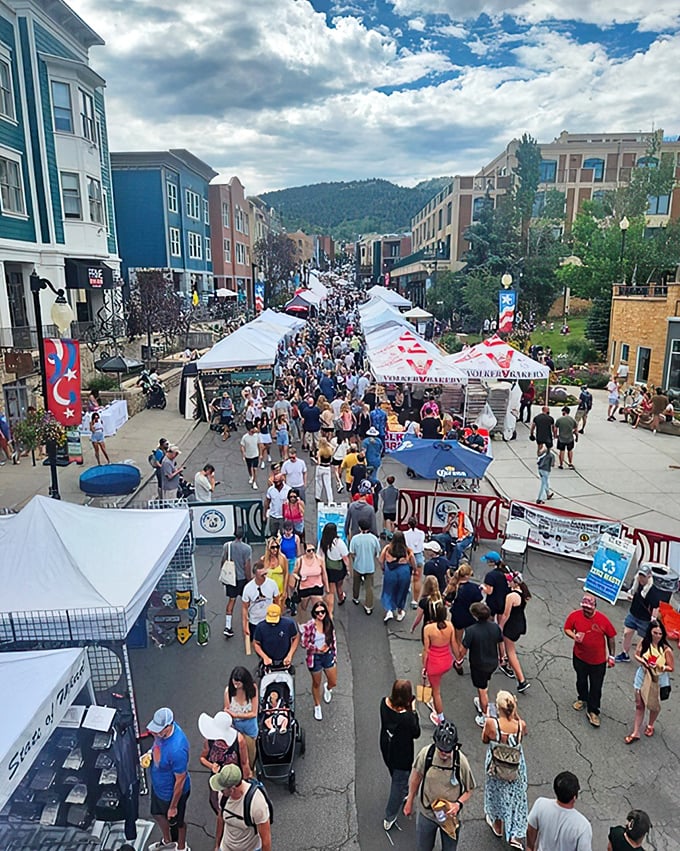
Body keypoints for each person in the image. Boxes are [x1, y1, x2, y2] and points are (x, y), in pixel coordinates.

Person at [404, 721, 476, 851]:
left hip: (449, 817)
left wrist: (458, 804)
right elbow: (415, 779)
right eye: (441, 750)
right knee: (423, 848)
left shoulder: (461, 762)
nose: (444, 754)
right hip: (427, 813)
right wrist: (409, 801)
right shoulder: (426, 754)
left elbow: (469, 790)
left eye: (447, 751)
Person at [482, 690, 528, 849]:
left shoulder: (491, 724)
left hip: (496, 765)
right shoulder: (520, 725)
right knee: (515, 797)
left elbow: (485, 739)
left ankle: (498, 826)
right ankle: (515, 833)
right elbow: (522, 737)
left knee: (497, 795)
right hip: (515, 765)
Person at [563, 593, 616, 728]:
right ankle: (582, 698)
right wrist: (574, 636)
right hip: (580, 657)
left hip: (598, 661)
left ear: (594, 607)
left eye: (589, 608)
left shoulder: (603, 620)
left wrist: (611, 656)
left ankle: (593, 711)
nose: (586, 611)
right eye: (584, 608)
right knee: (581, 680)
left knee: (596, 686)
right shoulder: (575, 615)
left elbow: (611, 637)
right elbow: (567, 628)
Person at [146, 707, 191, 851]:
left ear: (169, 726)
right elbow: (157, 746)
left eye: (159, 729)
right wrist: (150, 754)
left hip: (171, 794)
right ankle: (167, 841)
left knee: (178, 823)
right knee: (157, 814)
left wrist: (173, 806)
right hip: (159, 788)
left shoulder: (177, 748)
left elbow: (180, 780)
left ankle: (182, 848)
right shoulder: (161, 735)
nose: (155, 732)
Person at [380, 680, 421, 832]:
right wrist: (414, 711)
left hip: (387, 747)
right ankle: (390, 816)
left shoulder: (383, 704)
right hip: (402, 756)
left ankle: (404, 790)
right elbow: (416, 733)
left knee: (395, 775)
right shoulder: (407, 718)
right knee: (398, 784)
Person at [624, 618, 674, 743]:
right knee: (639, 704)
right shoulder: (644, 642)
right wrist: (644, 662)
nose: (657, 636)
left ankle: (650, 724)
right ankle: (636, 732)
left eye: (660, 634)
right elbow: (636, 654)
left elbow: (671, 667)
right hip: (643, 674)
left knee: (653, 704)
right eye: (655, 633)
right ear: (650, 632)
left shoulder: (666, 650)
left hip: (659, 678)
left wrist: (660, 666)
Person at [198, 711, 251, 819]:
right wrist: (211, 766)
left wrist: (246, 782)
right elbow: (202, 758)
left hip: (234, 777)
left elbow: (244, 762)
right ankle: (222, 817)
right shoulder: (209, 740)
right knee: (214, 800)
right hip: (218, 776)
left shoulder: (239, 740)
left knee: (236, 802)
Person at [462, 602, 505, 727]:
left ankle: (484, 715)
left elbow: (463, 649)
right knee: (485, 683)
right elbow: (500, 643)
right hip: (492, 663)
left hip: (478, 665)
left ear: (475, 616)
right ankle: (482, 703)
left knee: (482, 690)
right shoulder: (495, 627)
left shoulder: (471, 631)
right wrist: (502, 657)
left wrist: (459, 659)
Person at [526, 771, 592, 851]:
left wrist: (530, 847)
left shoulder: (541, 804)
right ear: (574, 797)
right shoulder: (583, 826)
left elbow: (530, 834)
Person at [211, 764, 272, 851]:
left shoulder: (256, 803)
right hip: (226, 847)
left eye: (222, 789)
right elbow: (220, 818)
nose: (219, 791)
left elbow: (266, 841)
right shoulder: (223, 795)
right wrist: (217, 845)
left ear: (233, 789)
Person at [615, 564, 662, 662]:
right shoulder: (636, 583)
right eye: (640, 575)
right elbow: (632, 593)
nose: (641, 578)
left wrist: (653, 618)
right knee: (627, 633)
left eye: (644, 576)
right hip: (633, 614)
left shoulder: (653, 591)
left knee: (642, 641)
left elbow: (655, 606)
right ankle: (625, 653)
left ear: (649, 576)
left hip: (644, 619)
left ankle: (642, 658)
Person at [300, 600, 337, 721]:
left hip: (328, 655)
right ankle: (317, 706)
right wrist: (317, 649)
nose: (320, 614)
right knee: (316, 683)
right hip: (315, 657)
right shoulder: (310, 626)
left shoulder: (328, 623)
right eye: (318, 612)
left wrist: (333, 653)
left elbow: (333, 638)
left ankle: (328, 688)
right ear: (314, 613)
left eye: (323, 612)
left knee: (333, 681)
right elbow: (304, 643)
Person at [422, 602, 456, 725]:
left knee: (436, 692)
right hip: (447, 661)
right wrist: (458, 658)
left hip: (434, 663)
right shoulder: (450, 626)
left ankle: (440, 717)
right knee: (437, 682)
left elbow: (426, 650)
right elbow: (453, 645)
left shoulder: (428, 629)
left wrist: (424, 667)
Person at [499, 571, 532, 694]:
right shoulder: (523, 593)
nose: (507, 583)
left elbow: (506, 615)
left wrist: (500, 627)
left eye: (509, 581)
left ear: (514, 582)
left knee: (511, 651)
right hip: (520, 623)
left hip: (511, 625)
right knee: (511, 648)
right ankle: (507, 662)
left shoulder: (511, 596)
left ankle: (521, 680)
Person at [448, 563, 483, 673]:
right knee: (469, 638)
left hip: (457, 615)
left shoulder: (453, 586)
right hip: (470, 616)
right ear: (467, 575)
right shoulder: (474, 588)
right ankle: (468, 655)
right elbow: (479, 599)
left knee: (457, 639)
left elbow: (448, 600)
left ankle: (458, 660)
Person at [224, 666, 258, 769]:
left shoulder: (252, 689)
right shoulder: (228, 692)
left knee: (251, 750)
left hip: (249, 726)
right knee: (239, 751)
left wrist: (236, 715)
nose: (236, 686)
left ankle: (251, 768)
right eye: (234, 683)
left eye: (238, 684)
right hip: (236, 726)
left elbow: (254, 713)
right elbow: (226, 708)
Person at [379, 531, 416, 623]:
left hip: (390, 571)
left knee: (388, 590)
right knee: (402, 592)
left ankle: (389, 610)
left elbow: (380, 560)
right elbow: (413, 563)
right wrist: (414, 570)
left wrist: (383, 568)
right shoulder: (408, 551)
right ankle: (399, 612)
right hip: (404, 572)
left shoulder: (388, 549)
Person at [222, 527, 252, 638]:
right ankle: (248, 624)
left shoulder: (227, 546)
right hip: (242, 579)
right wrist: (249, 579)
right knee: (247, 602)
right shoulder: (247, 549)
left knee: (231, 601)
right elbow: (247, 566)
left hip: (231, 579)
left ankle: (228, 626)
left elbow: (223, 560)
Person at [349, 516, 381, 614]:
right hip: (370, 566)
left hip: (358, 565)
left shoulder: (355, 539)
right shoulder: (373, 539)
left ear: (359, 528)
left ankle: (355, 597)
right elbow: (377, 552)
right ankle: (368, 606)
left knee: (356, 582)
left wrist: (355, 559)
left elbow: (352, 552)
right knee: (369, 586)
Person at [253, 604, 299, 669]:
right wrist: (264, 657)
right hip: (268, 661)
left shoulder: (289, 624)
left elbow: (296, 637)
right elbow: (256, 643)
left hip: (285, 659)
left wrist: (290, 655)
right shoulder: (260, 627)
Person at [242, 561, 280, 638]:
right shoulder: (248, 588)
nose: (264, 576)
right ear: (255, 574)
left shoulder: (272, 584)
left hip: (269, 620)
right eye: (262, 574)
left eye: (265, 573)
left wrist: (278, 616)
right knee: (256, 642)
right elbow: (244, 608)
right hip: (254, 622)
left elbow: (277, 601)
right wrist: (245, 625)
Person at [290, 542, 330, 615]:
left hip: (317, 586)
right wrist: (299, 578)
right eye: (309, 550)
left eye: (313, 550)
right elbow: (294, 572)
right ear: (305, 551)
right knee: (303, 608)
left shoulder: (319, 559)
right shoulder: (300, 560)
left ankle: (318, 623)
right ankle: (303, 623)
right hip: (304, 588)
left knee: (319, 608)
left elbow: (324, 574)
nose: (311, 552)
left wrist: (327, 587)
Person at [319, 522, 350, 611]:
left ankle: (330, 607)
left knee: (331, 589)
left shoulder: (323, 542)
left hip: (329, 569)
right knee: (339, 586)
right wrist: (348, 569)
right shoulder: (339, 543)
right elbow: (345, 557)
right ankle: (341, 598)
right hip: (339, 568)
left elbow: (320, 555)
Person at [404, 516, 426, 608]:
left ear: (408, 525)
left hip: (408, 556)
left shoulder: (404, 534)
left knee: (406, 576)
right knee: (417, 579)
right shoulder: (421, 533)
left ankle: (406, 590)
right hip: (419, 556)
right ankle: (415, 601)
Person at [240, 423, 261, 490]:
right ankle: (251, 476)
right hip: (248, 455)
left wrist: (260, 454)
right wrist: (243, 454)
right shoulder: (245, 437)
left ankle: (254, 482)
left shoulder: (257, 436)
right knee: (249, 467)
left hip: (255, 455)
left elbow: (259, 445)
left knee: (255, 469)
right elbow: (242, 446)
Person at [314, 435, 334, 503]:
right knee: (328, 484)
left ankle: (317, 496)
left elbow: (319, 462)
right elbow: (333, 447)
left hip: (320, 468)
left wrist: (316, 460)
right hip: (327, 468)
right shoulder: (330, 450)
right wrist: (328, 443)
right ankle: (330, 499)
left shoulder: (320, 451)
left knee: (319, 482)